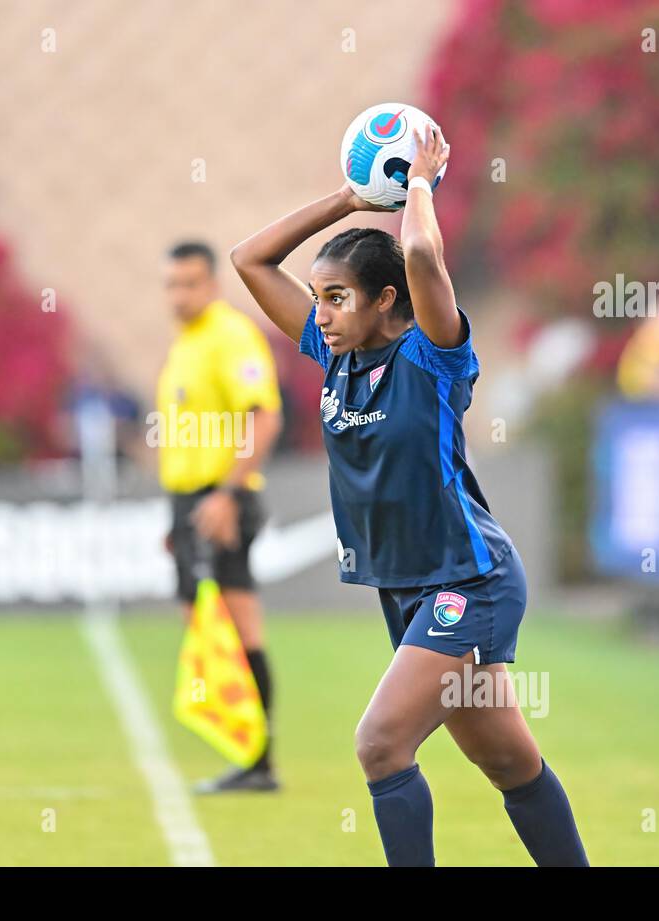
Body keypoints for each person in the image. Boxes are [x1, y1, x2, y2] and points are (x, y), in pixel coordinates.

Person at [229, 125, 588, 864]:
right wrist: (346, 199)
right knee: (508, 764)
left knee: (380, 742)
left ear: (386, 299)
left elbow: (422, 253)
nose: (320, 312)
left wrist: (418, 181)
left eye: (337, 297)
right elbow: (249, 259)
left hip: (470, 579)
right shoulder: (335, 358)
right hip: (407, 587)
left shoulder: (432, 357)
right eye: (317, 298)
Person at [156, 240, 284, 793]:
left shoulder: (230, 336)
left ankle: (259, 760)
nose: (178, 294)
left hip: (220, 500)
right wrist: (178, 516)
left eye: (189, 283)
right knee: (209, 629)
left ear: (213, 284)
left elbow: (265, 417)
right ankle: (247, 751)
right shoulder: (187, 342)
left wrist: (227, 495)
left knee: (236, 626)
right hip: (191, 502)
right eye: (171, 283)